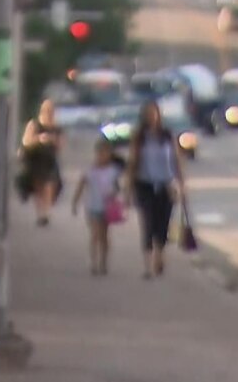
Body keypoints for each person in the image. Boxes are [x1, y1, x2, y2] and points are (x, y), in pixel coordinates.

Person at [125, 99, 186, 279]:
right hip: (144, 185)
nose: (152, 117)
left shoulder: (167, 136)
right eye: (148, 114)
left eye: (154, 113)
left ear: (159, 116)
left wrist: (181, 184)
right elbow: (132, 163)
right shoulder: (139, 137)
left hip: (166, 186)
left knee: (162, 225)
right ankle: (148, 266)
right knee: (148, 224)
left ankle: (160, 256)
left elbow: (177, 160)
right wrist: (127, 189)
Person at [71, 138, 123, 276]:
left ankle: (103, 262)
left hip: (107, 207)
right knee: (94, 234)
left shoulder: (113, 171)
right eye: (100, 153)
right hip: (93, 206)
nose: (102, 156)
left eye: (105, 153)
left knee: (104, 236)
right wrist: (75, 202)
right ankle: (93, 262)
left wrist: (115, 194)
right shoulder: (90, 171)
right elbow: (81, 186)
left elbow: (118, 187)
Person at [20, 99, 63, 226]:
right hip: (35, 160)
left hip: (49, 161)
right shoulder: (34, 125)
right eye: (46, 110)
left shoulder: (56, 127)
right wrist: (39, 139)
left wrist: (53, 140)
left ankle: (46, 212)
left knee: (50, 186)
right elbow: (26, 142)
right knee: (39, 189)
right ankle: (41, 214)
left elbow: (60, 145)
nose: (49, 113)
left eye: (51, 111)